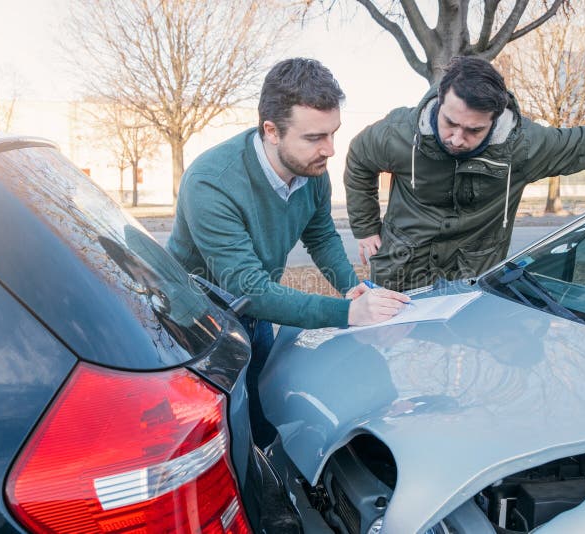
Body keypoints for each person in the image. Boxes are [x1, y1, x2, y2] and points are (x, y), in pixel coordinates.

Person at [166, 58, 410, 447]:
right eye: (315, 137)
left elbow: (322, 235)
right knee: (220, 427)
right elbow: (251, 288)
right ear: (272, 131)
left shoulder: (311, 170)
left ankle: (270, 473)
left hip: (256, 308)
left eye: (333, 134)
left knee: (261, 402)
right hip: (197, 324)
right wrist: (348, 314)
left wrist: (353, 288)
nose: (330, 150)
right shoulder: (211, 182)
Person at [344, 56, 585, 291]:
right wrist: (364, 228)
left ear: (494, 120)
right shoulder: (397, 133)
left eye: (473, 131)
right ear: (440, 99)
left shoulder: (524, 146)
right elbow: (359, 159)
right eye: (450, 123)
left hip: (472, 276)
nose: (457, 138)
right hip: (401, 272)